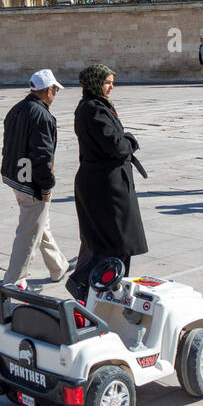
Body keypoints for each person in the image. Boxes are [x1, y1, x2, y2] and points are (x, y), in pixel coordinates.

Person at [66, 63, 148, 302]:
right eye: (107, 82)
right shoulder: (94, 110)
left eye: (112, 82)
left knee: (104, 240)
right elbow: (117, 146)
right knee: (115, 241)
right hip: (106, 187)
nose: (111, 87)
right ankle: (88, 285)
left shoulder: (92, 107)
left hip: (104, 183)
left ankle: (100, 289)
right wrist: (130, 140)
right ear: (95, 83)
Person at [0, 69, 68, 291]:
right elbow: (42, 156)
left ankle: (58, 266)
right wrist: (46, 185)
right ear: (47, 90)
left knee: (39, 222)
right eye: (55, 90)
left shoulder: (16, 109)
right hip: (30, 181)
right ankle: (14, 281)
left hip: (14, 176)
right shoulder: (43, 116)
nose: (55, 94)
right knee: (29, 230)